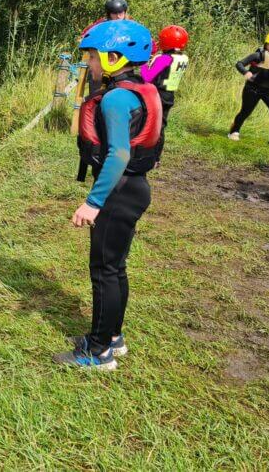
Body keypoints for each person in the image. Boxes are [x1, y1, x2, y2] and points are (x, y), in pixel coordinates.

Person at [55, 19, 161, 371]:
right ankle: (113, 337)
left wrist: (93, 202)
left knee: (102, 271)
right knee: (115, 268)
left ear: (114, 57)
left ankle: (97, 351)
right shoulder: (142, 89)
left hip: (117, 191)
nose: (90, 64)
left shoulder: (116, 99)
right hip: (133, 189)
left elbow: (118, 154)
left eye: (94, 57)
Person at [140, 25, 190, 160]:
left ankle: (151, 156)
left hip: (158, 95)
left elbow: (147, 77)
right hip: (169, 95)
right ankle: (156, 157)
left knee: (152, 126)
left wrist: (144, 61)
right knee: (161, 126)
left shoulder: (164, 58)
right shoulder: (183, 57)